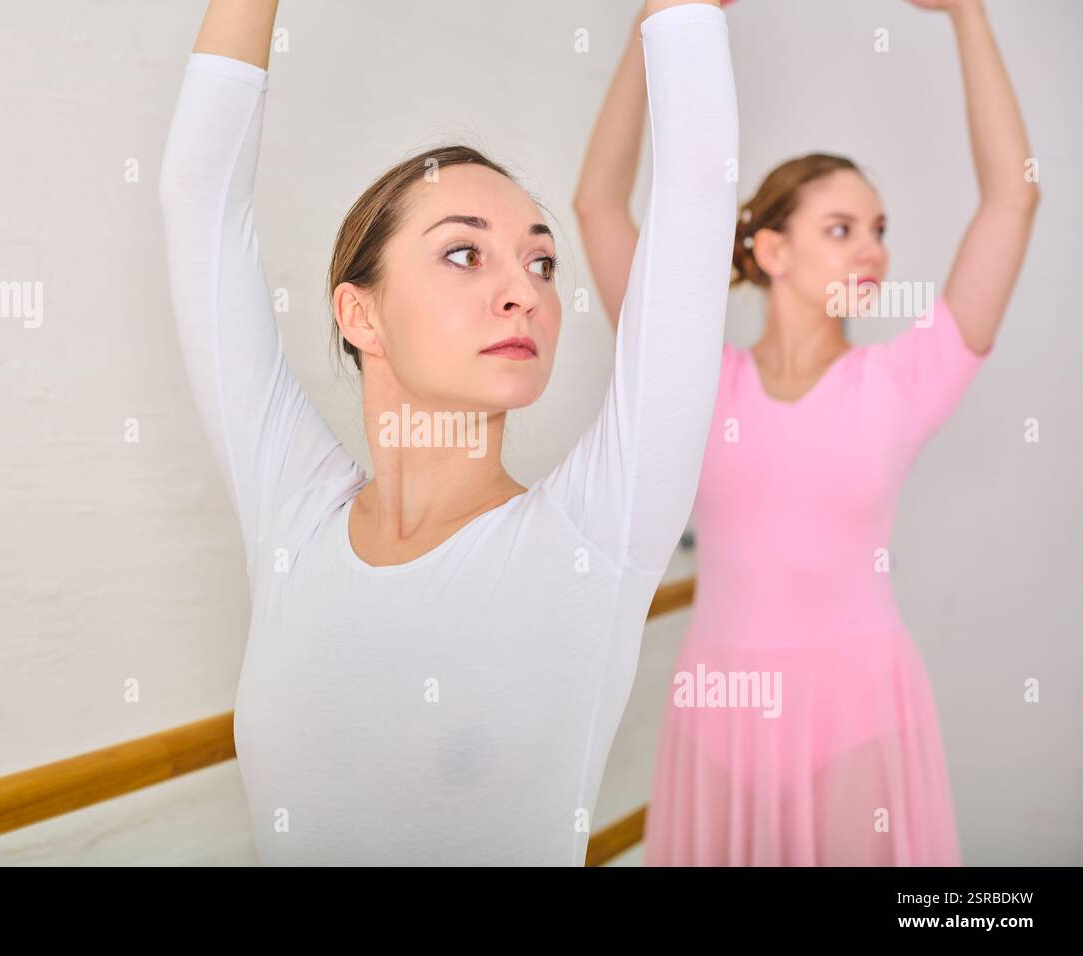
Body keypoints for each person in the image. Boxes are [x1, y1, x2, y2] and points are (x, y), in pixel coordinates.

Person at [158, 0, 737, 865]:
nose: (525, 292)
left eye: (541, 261)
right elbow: (197, 200)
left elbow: (696, 188)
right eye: (466, 253)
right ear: (361, 314)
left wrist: (679, 15)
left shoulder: (592, 539)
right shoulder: (293, 518)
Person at [573, 0, 1038, 865]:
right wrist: (655, 21)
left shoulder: (904, 380)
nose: (873, 251)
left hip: (860, 718)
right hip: (716, 717)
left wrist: (968, 13)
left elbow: (1014, 198)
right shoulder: (695, 379)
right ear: (773, 251)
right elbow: (597, 206)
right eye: (841, 229)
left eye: (880, 232)